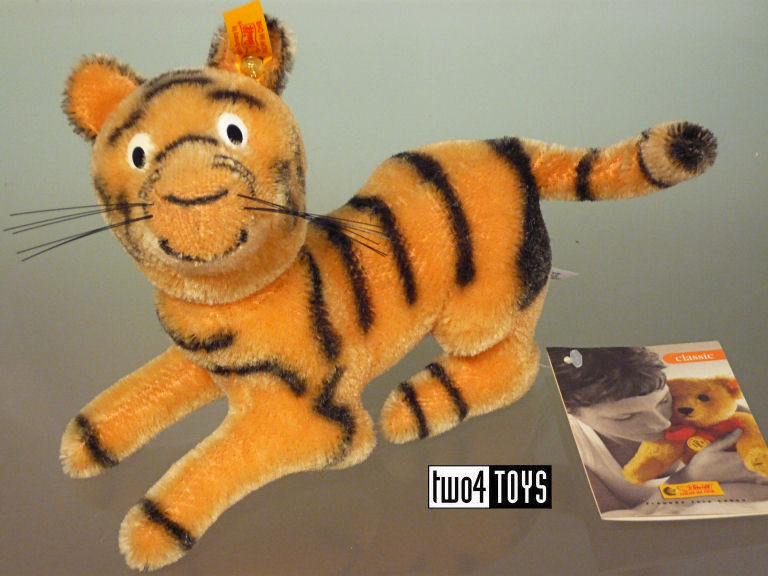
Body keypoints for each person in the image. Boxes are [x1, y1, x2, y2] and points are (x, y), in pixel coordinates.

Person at [550, 347, 767, 514]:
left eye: (663, 401)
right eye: (626, 416)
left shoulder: (706, 406)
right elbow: (615, 529)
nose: (661, 423)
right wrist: (687, 479)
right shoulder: (574, 449)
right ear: (570, 412)